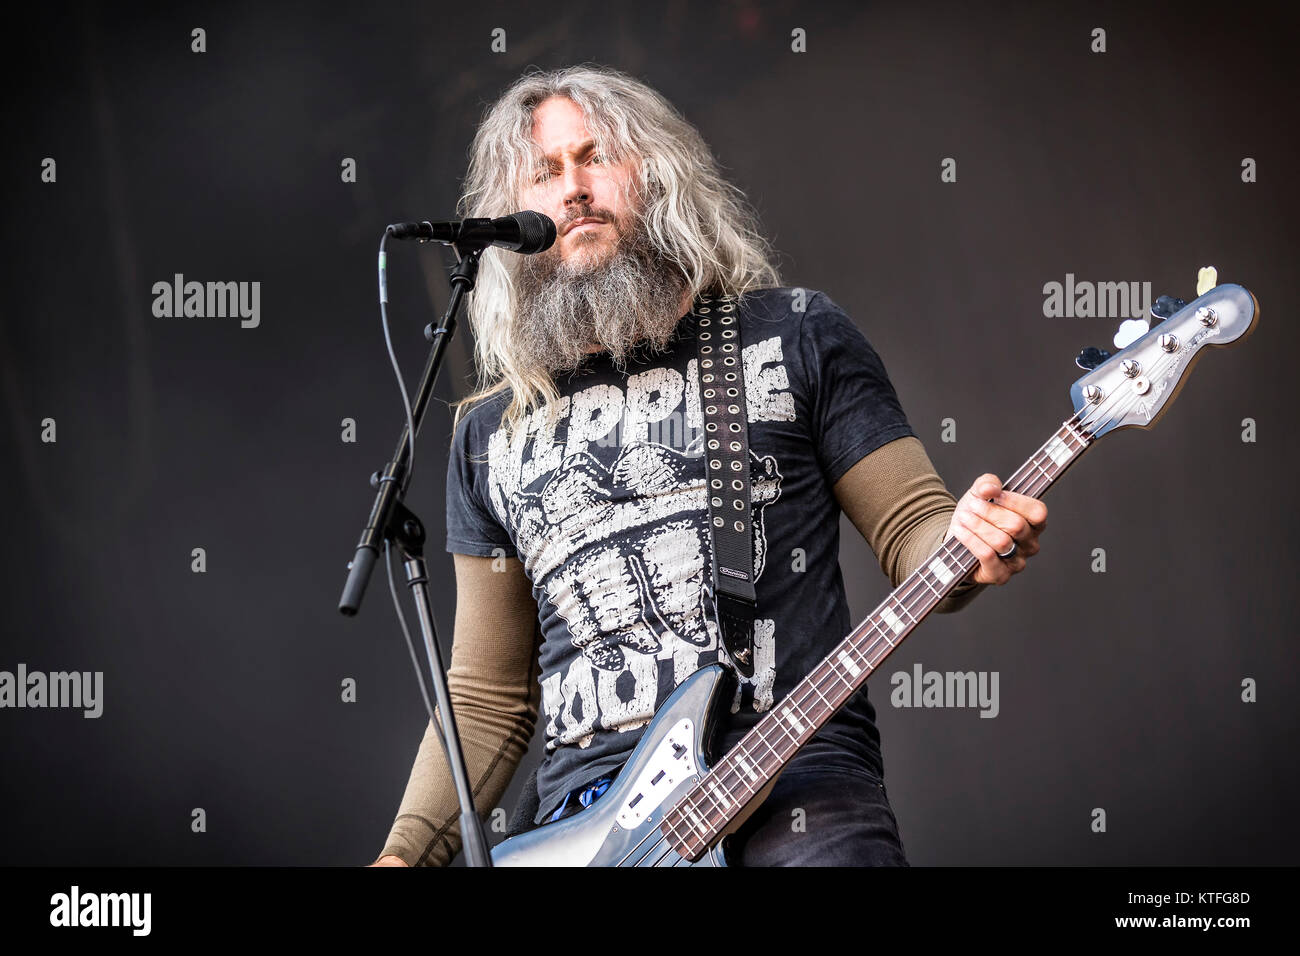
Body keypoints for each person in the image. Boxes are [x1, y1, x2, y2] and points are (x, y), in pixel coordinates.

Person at [371, 64, 1046, 867]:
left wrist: (967, 540)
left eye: (596, 156)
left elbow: (915, 533)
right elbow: (487, 696)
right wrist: (402, 856)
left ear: (655, 173)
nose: (574, 188)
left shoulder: (794, 334)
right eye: (545, 172)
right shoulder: (491, 430)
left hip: (791, 779)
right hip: (580, 832)